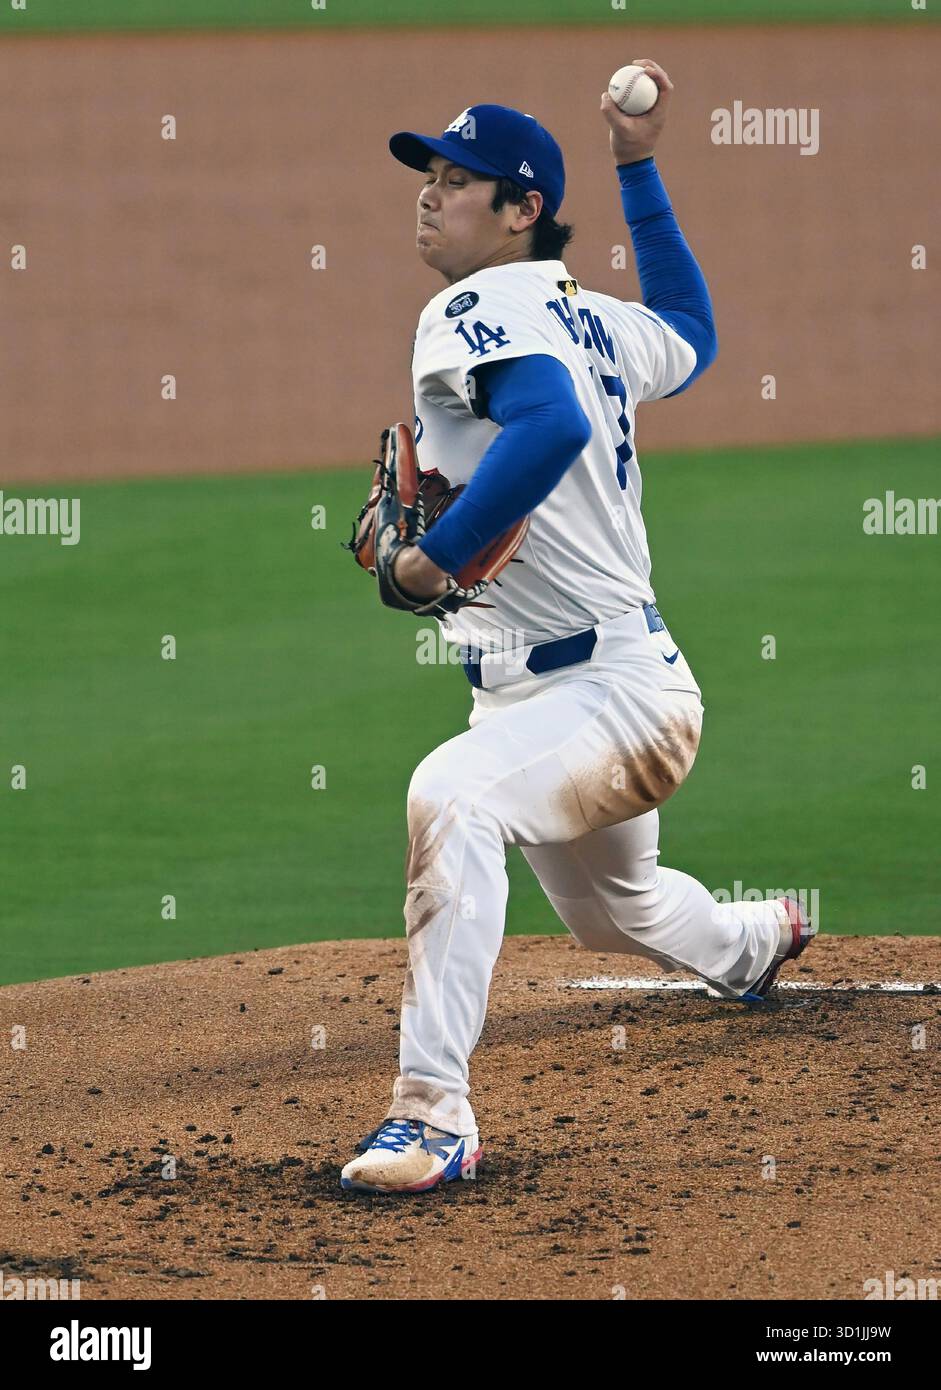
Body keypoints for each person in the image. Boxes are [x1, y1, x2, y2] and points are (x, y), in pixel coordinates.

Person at [340, 60, 814, 1195]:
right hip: (596, 689)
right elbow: (690, 330)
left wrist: (429, 561)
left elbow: (545, 422)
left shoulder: (466, 307)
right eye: (428, 173)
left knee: (451, 797)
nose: (429, 193)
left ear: (519, 213)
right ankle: (755, 941)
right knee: (614, 911)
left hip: (606, 696)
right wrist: (639, 171)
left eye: (459, 180)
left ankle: (433, 1114)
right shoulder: (593, 318)